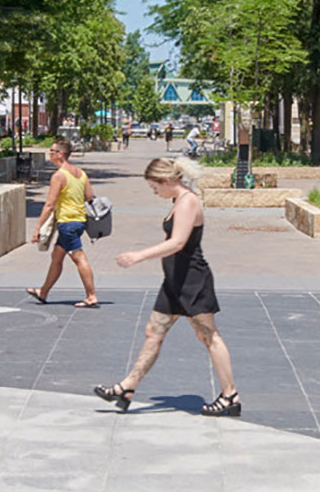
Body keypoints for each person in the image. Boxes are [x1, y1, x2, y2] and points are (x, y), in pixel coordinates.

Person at [95, 155, 239, 417]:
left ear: (166, 181)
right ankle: (128, 387)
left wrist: (138, 256)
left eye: (155, 187)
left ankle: (230, 396)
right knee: (154, 332)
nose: (154, 192)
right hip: (174, 281)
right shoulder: (178, 199)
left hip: (192, 281)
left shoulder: (188, 202)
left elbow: (177, 243)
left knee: (209, 337)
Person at [28, 137, 99, 308]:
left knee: (79, 258)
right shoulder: (81, 173)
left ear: (60, 154)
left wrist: (38, 228)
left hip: (67, 223)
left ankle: (91, 296)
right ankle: (43, 292)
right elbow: (90, 196)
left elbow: (50, 205)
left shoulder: (59, 176)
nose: (49, 153)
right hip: (79, 221)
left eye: (52, 150)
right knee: (57, 256)